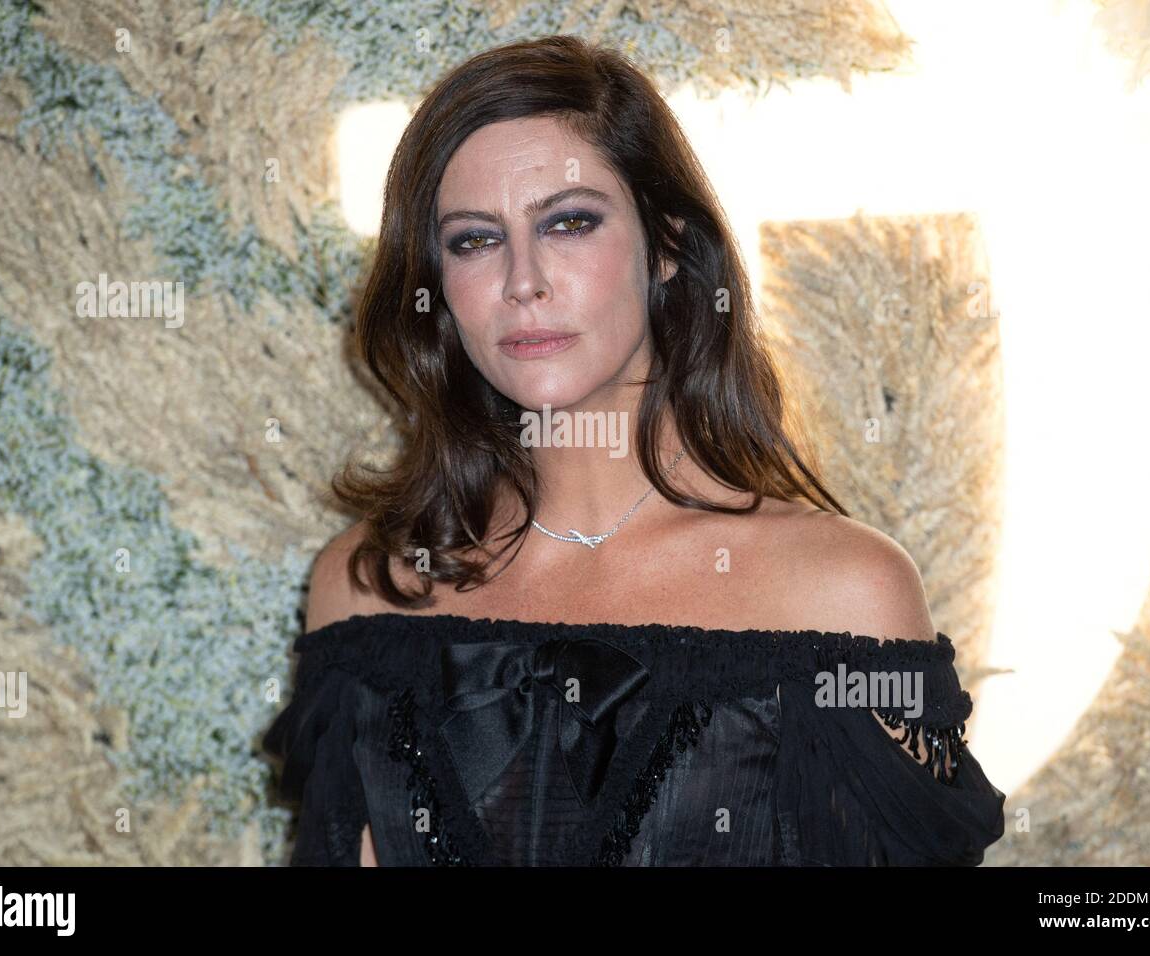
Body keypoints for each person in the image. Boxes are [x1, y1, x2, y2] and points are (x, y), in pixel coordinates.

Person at [262, 34, 1006, 866]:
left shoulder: (841, 592)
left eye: (569, 223)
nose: (523, 281)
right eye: (475, 240)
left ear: (668, 249)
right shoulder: (368, 591)